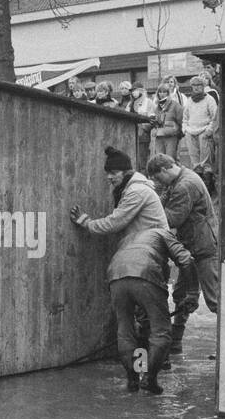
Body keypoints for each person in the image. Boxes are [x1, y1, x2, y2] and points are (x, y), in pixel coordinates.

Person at [70, 146, 171, 377]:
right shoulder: (133, 188)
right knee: (149, 321)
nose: (109, 177)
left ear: (126, 171)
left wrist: (86, 222)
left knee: (140, 324)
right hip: (148, 263)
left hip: (147, 263)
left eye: (113, 172)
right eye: (108, 172)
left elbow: (115, 222)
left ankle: (143, 373)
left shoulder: (136, 192)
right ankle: (149, 371)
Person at [104, 226, 194, 394]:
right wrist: (193, 294)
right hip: (146, 274)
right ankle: (149, 379)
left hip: (115, 276)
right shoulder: (165, 233)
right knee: (161, 331)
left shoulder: (129, 238)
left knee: (125, 330)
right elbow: (187, 260)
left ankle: (132, 381)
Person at [147, 153, 220, 355]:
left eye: (158, 178)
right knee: (182, 296)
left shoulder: (184, 185)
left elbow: (172, 218)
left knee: (215, 299)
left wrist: (146, 212)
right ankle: (175, 342)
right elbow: (163, 201)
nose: (159, 183)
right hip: (192, 247)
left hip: (203, 247)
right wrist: (154, 196)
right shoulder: (178, 179)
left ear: (163, 170)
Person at [182, 74, 219, 169]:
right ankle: (197, 176)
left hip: (204, 132)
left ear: (203, 86)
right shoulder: (189, 100)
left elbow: (214, 117)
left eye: (199, 85)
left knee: (206, 161)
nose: (196, 87)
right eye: (194, 85)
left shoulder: (209, 99)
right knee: (194, 160)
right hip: (190, 132)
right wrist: (185, 129)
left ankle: (208, 180)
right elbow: (185, 117)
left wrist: (209, 130)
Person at [150, 81, 183, 157]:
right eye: (160, 92)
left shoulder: (175, 105)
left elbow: (181, 121)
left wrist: (178, 133)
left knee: (170, 159)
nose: (162, 94)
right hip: (159, 136)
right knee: (160, 159)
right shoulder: (157, 107)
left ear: (168, 93)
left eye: (164, 92)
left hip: (171, 136)